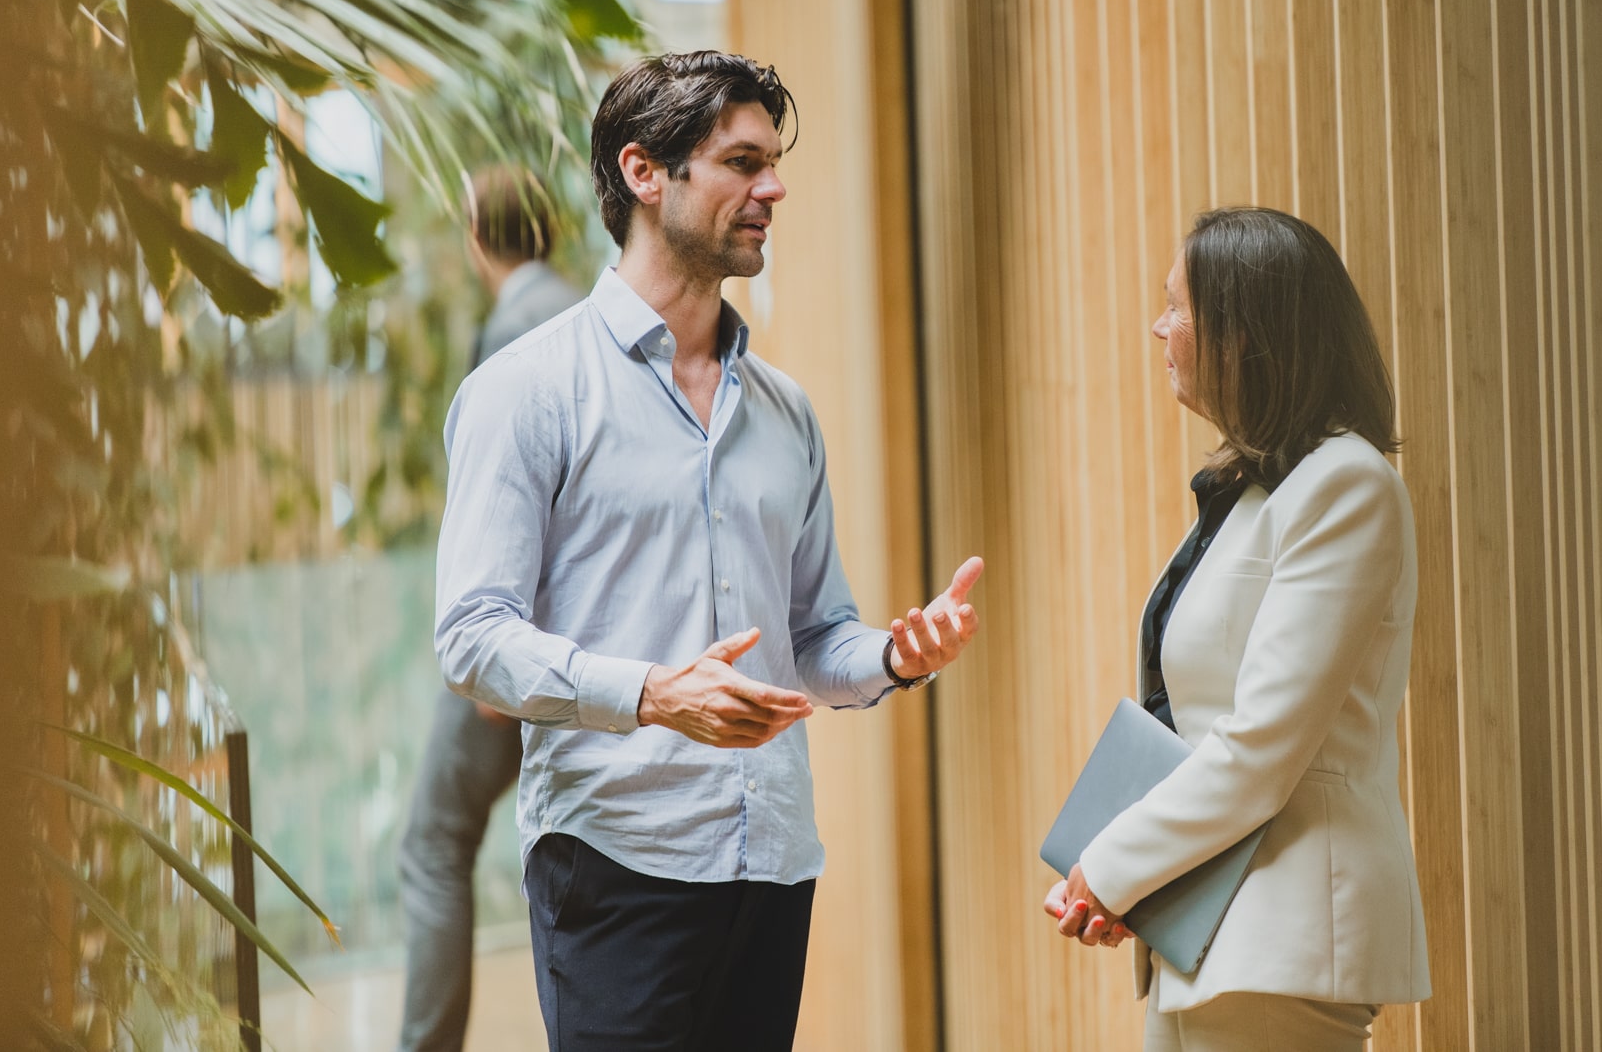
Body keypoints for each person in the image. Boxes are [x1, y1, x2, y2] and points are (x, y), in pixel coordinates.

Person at [434, 51, 983, 1052]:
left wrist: (898, 655)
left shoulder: (787, 413)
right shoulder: (527, 392)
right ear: (646, 173)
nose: (771, 188)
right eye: (741, 162)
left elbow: (816, 639)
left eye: (772, 164)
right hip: (613, 864)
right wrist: (653, 692)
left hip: (769, 866)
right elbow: (470, 638)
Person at [1043, 207, 1429, 1052]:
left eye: (1177, 306)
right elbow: (1196, 719)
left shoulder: (1347, 488)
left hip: (1287, 939)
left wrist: (1111, 869)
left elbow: (1259, 746)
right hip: (1210, 933)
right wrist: (1138, 884)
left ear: (1241, 333)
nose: (1159, 327)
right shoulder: (1255, 489)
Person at [397, 166, 582, 1052]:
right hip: (592, 644)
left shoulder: (509, 329)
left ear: (479, 240)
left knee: (432, 841)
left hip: (521, 649)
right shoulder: (588, 311)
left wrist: (492, 665)